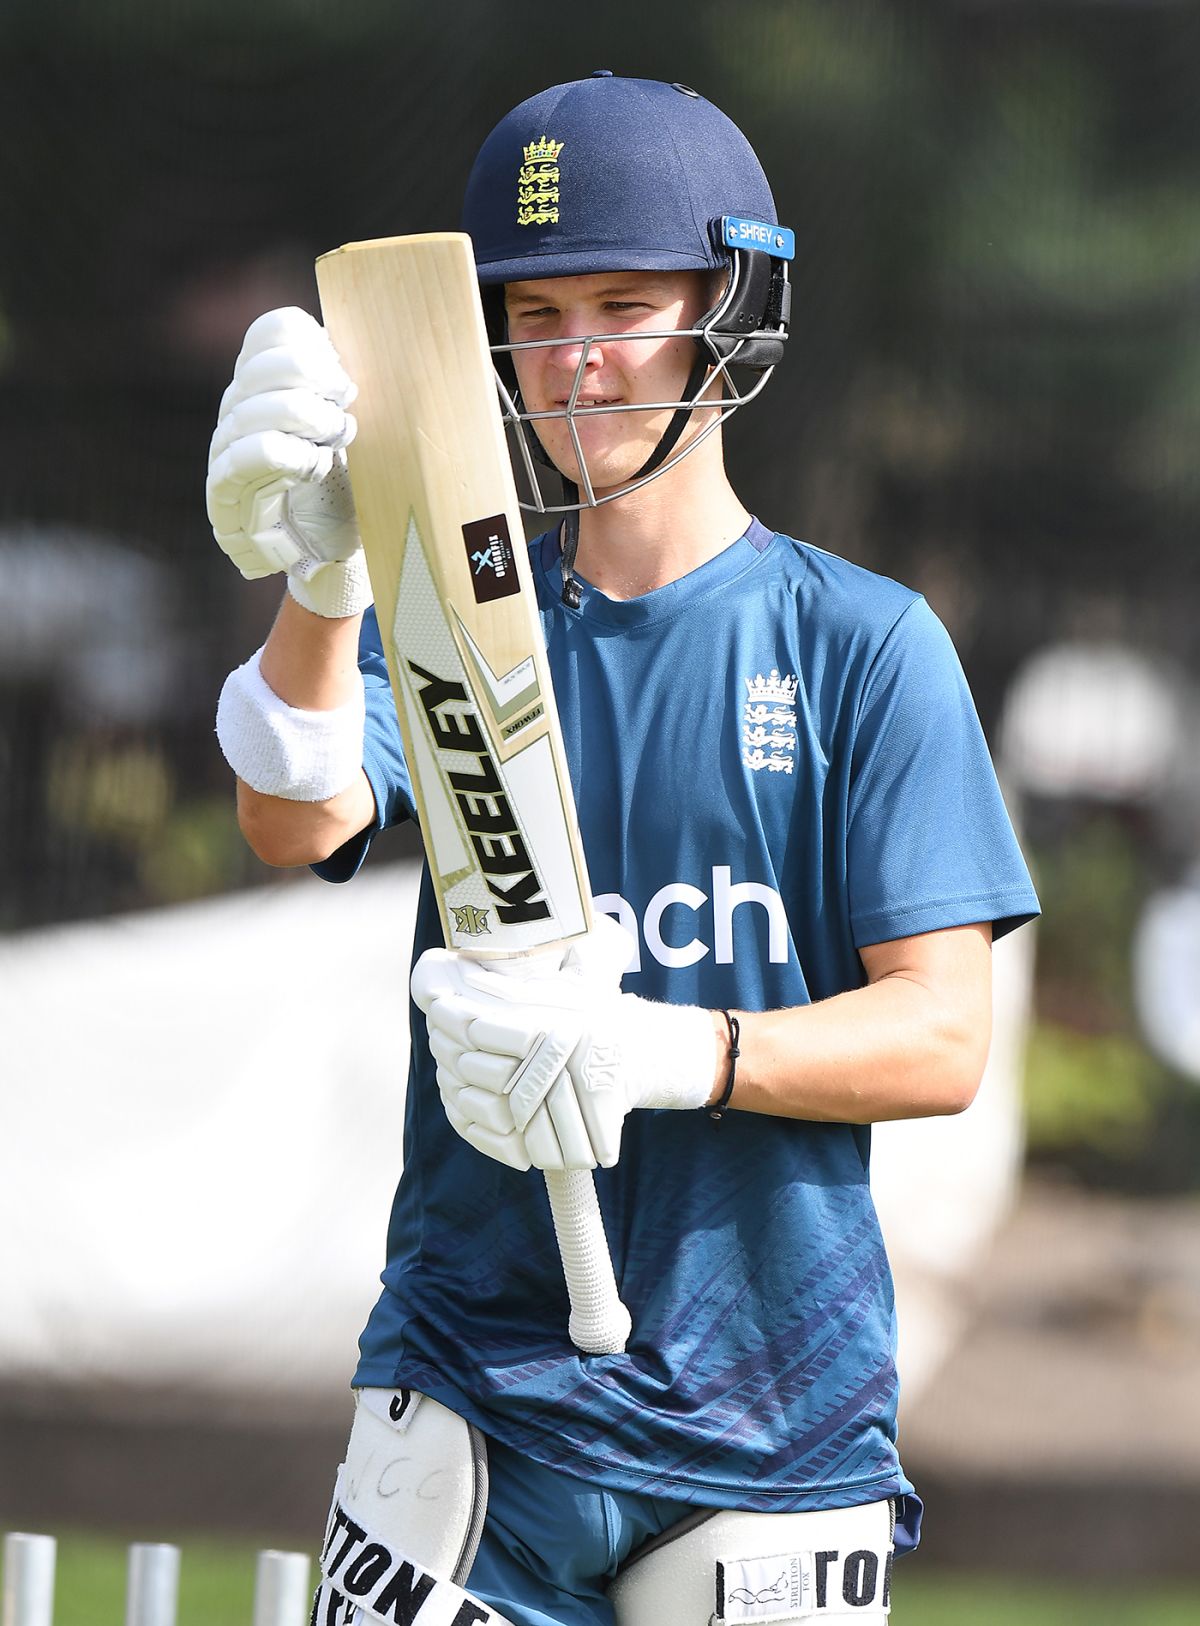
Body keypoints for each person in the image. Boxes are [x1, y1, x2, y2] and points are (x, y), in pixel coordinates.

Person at [208, 73, 1039, 1626]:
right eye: (534, 315)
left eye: (623, 305)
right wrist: (324, 580)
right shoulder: (457, 601)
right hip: (469, 1382)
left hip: (772, 1417)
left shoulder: (864, 643)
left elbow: (942, 1037)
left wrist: (674, 1049)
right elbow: (291, 812)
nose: (575, 357)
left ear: (730, 312)